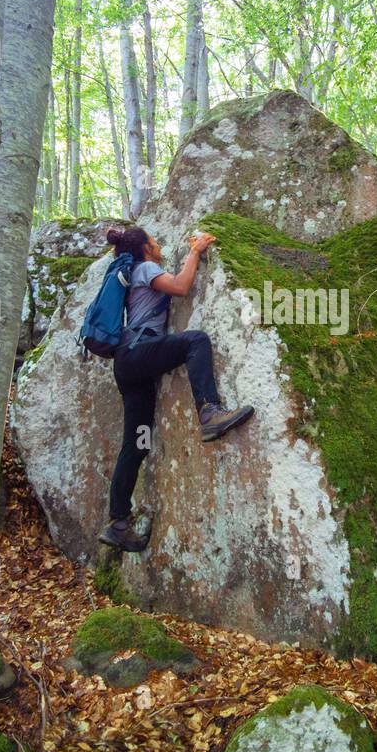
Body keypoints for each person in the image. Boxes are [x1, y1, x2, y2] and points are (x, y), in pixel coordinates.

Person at [99, 225, 254, 552]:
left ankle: (118, 522)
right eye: (154, 242)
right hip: (138, 356)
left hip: (129, 369)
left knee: (138, 443)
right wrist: (196, 251)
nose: (158, 245)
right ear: (145, 248)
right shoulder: (145, 267)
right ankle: (209, 412)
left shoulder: (131, 271)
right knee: (195, 340)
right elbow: (181, 287)